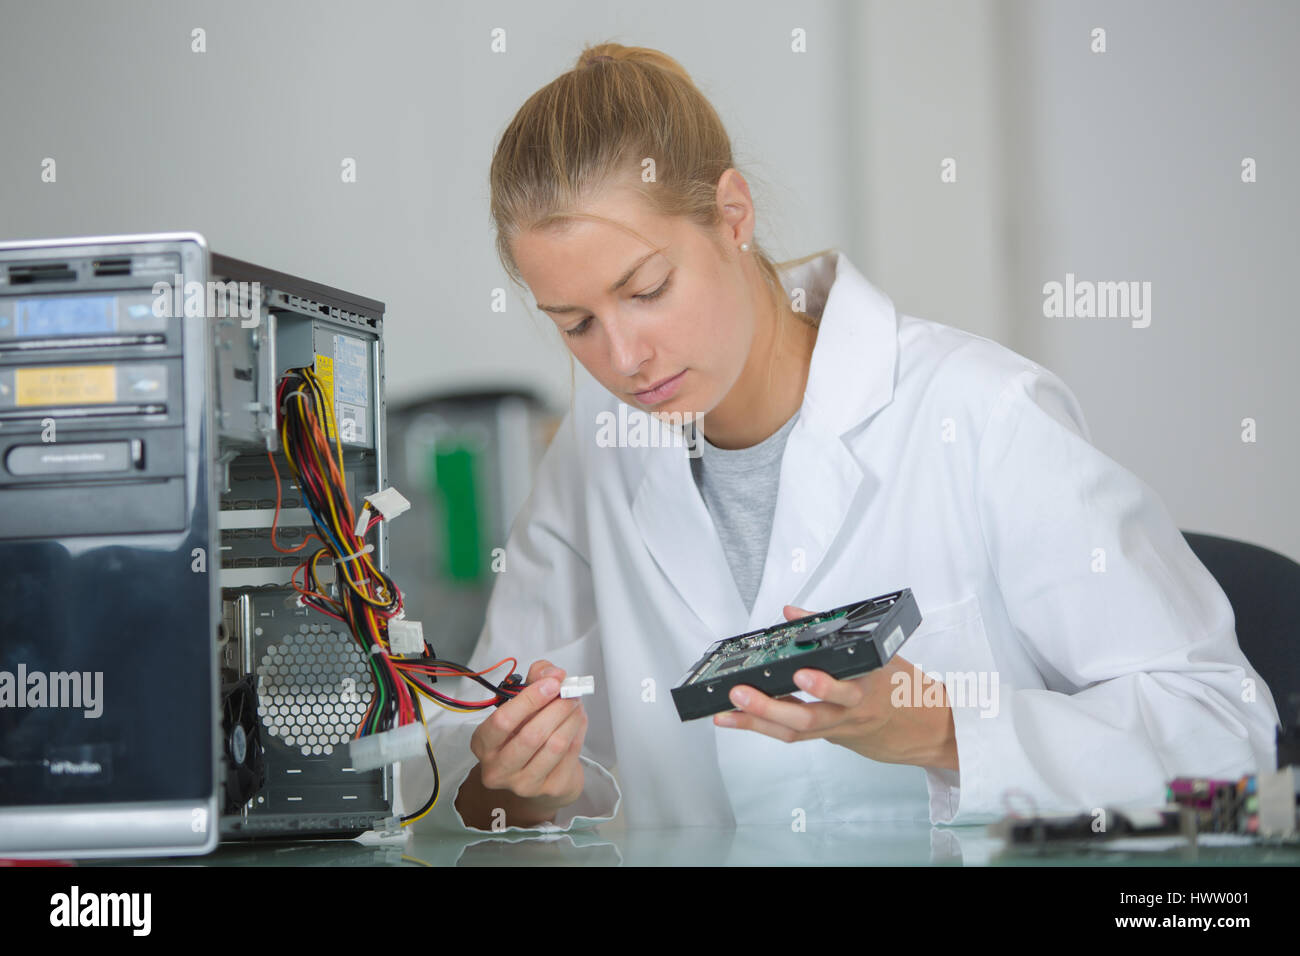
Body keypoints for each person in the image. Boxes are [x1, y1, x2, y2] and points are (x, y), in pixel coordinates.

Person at [399, 41, 1279, 833]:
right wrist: (520, 785)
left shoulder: (982, 411)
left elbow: (1223, 727)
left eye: (646, 289)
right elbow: (471, 769)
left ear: (732, 214)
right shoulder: (595, 455)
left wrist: (936, 728)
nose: (624, 358)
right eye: (575, 323)